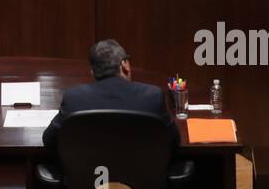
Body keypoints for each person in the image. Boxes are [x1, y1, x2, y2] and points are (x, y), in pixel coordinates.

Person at [41, 39, 179, 159]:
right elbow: (174, 140)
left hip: (89, 184)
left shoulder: (74, 98)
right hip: (144, 183)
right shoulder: (152, 96)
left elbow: (48, 140)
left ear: (93, 73)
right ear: (124, 64)